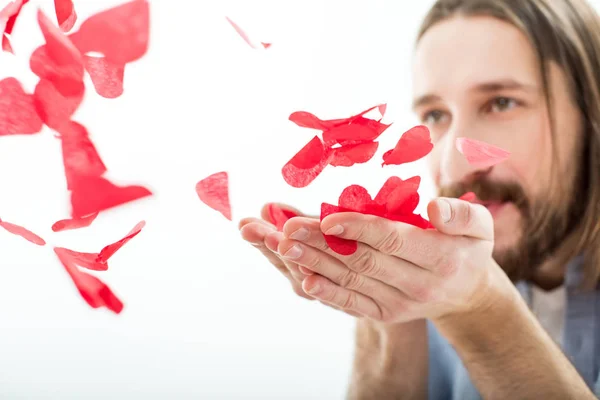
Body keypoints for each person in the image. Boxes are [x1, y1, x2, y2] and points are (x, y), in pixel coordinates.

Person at [239, 0, 600, 398]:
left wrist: (480, 309)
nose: (454, 163)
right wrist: (388, 306)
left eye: (502, 103)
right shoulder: (443, 282)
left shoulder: (461, 290)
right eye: (435, 114)